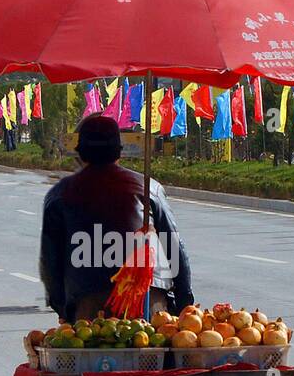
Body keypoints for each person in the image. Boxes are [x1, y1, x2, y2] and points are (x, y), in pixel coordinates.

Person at [39, 115, 194, 324]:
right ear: (119, 153)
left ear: (81, 154)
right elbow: (174, 248)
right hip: (148, 301)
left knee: (88, 351)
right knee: (157, 351)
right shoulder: (149, 188)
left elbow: (50, 262)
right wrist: (185, 305)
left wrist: (63, 310)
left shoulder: (59, 195)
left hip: (88, 304)